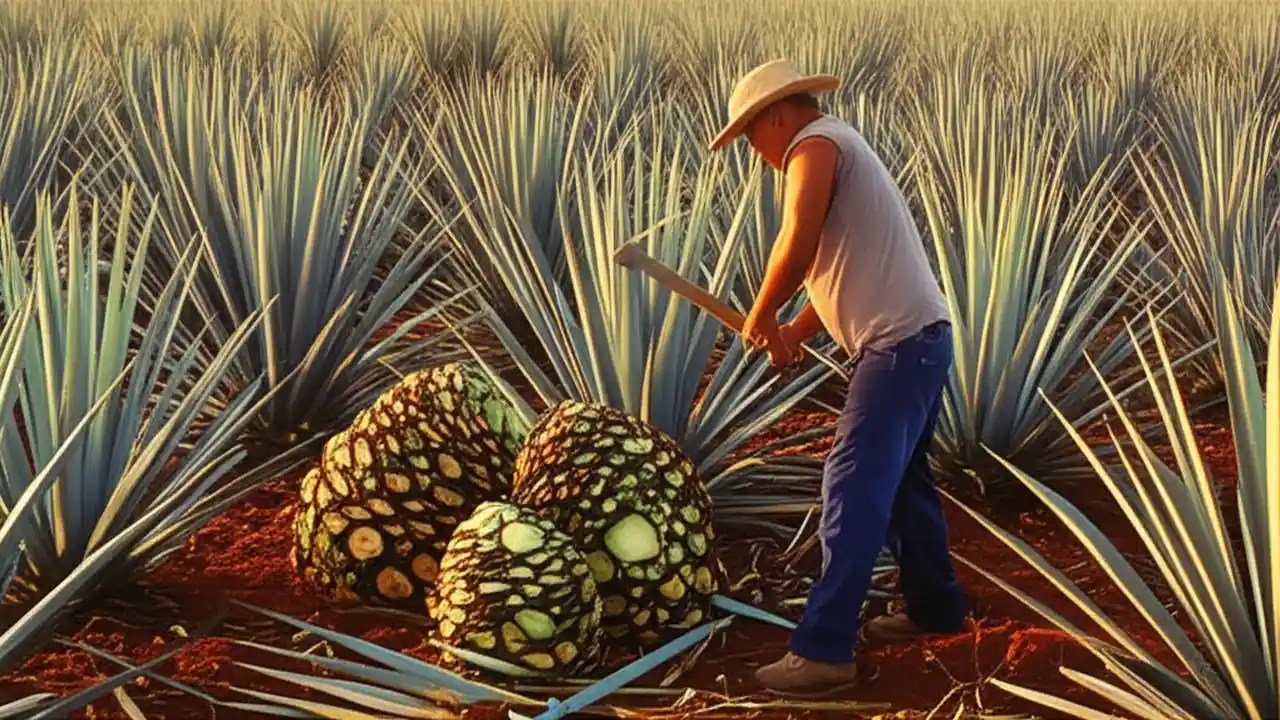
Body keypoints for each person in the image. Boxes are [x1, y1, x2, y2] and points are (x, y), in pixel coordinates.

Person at [706, 59, 969, 696]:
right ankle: (936, 608)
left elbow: (796, 241)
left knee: (850, 484)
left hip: (896, 347)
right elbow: (836, 270)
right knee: (904, 485)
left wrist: (762, 311)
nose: (754, 151)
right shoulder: (840, 146)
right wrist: (790, 334)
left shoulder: (814, 145)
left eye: (749, 135)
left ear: (775, 115)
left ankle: (823, 651)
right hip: (920, 341)